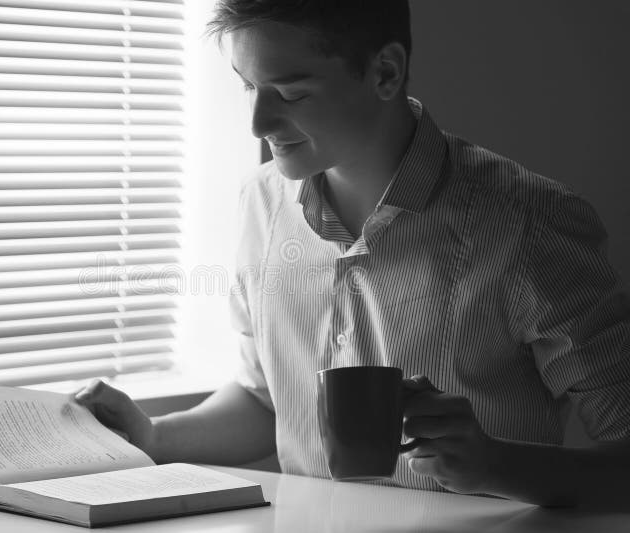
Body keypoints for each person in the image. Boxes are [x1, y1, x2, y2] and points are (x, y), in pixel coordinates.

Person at [75, 0, 630, 507]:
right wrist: (152, 437)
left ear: (384, 72)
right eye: (248, 85)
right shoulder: (259, 201)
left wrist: (496, 465)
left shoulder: (530, 222)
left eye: (290, 92)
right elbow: (267, 398)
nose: (257, 123)